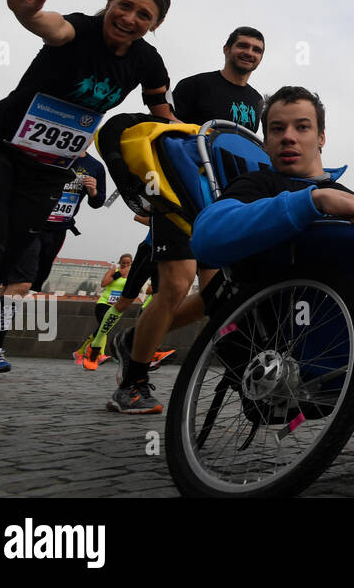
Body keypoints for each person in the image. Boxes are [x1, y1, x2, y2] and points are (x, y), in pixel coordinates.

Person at [108, 86, 354, 412]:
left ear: (321, 138)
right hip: (287, 333)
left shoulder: (351, 197)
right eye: (277, 129)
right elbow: (208, 236)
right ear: (265, 141)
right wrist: (312, 201)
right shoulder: (259, 184)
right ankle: (135, 353)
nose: (289, 137)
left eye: (302, 127)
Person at [0, 0, 172, 376]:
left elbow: (163, 112)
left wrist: (196, 137)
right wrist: (25, 9)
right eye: (123, 5)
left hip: (47, 170)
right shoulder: (80, 29)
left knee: (4, 263)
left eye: (143, 14)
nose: (129, 18)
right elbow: (50, 25)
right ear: (110, 3)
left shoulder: (147, 61)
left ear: (154, 24)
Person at [106, 27, 266, 409]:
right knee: (175, 286)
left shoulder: (256, 101)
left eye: (257, 49)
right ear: (225, 48)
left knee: (217, 296)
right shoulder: (195, 85)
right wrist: (151, 195)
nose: (249, 52)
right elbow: (164, 129)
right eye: (242, 46)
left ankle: (131, 342)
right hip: (180, 195)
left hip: (221, 203)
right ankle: (132, 383)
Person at [0, 151, 109, 374]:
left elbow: (98, 202)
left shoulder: (94, 166)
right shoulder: (49, 154)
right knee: (21, 285)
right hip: (30, 226)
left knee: (14, 288)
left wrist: (93, 190)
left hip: (57, 232)